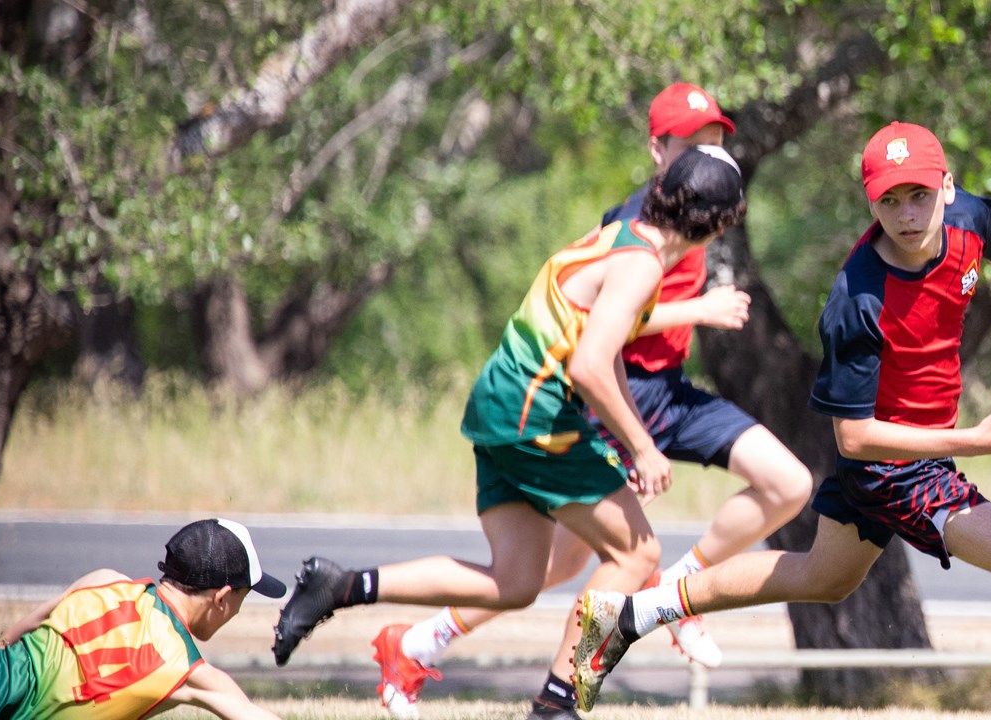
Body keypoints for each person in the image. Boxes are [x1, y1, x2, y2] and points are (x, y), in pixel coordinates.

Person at [564, 122, 991, 720]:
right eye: (890, 200)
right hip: (894, 469)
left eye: (919, 195)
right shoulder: (857, 300)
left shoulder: (970, 220)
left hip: (915, 456)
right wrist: (979, 440)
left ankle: (633, 613)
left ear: (947, 187)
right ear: (871, 204)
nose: (908, 214)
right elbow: (853, 438)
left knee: (821, 577)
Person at [367, 82, 811, 720]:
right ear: (658, 151)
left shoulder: (702, 205)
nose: (709, 154)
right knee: (555, 568)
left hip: (671, 390)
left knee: (787, 483)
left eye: (716, 141)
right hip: (616, 396)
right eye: (693, 144)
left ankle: (670, 597)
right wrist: (698, 312)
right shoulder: (635, 221)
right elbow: (598, 334)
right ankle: (421, 646)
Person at [269, 145, 751, 713]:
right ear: (719, 225)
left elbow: (607, 353)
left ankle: (341, 585)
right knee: (638, 554)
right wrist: (644, 449)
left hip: (499, 406)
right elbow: (590, 366)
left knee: (517, 581)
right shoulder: (642, 266)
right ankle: (559, 701)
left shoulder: (621, 238)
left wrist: (628, 437)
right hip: (534, 416)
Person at [0, 519, 287, 720]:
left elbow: (13, 637)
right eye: (242, 598)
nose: (237, 611)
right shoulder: (185, 669)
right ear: (221, 598)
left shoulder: (103, 581)